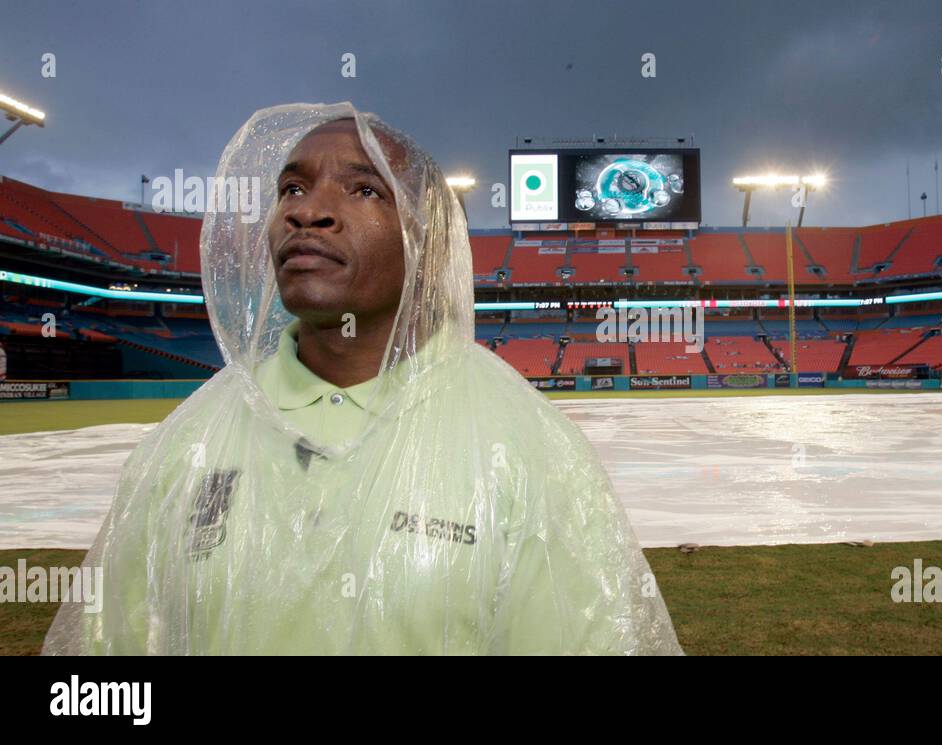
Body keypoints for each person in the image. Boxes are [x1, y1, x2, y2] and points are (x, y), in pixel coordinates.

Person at [43, 104, 681, 656]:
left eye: (364, 189)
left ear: (426, 243)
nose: (308, 212)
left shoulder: (528, 450)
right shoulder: (183, 449)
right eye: (291, 188)